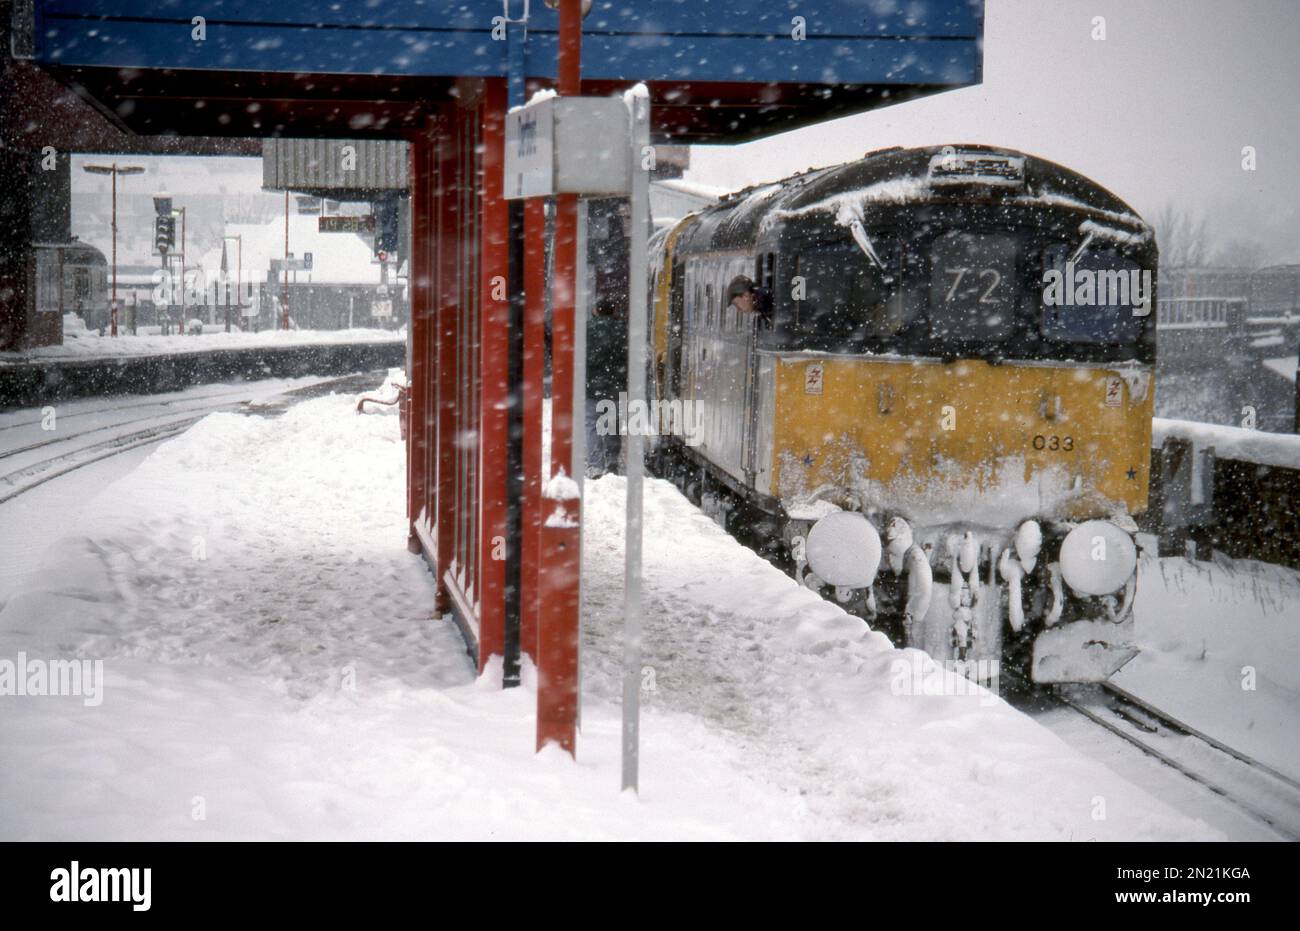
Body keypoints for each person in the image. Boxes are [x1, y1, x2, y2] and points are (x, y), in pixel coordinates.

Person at [584, 298, 628, 479]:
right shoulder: (623, 330)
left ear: (595, 311)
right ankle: (611, 462)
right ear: (614, 310)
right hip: (617, 386)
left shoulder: (586, 329)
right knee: (612, 425)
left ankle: (595, 464)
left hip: (592, 386)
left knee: (592, 424)